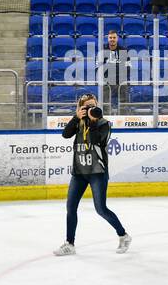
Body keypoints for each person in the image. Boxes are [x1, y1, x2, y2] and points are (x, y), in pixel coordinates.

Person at [54, 94, 130, 257]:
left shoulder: (104, 123)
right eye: (86, 107)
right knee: (71, 207)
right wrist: (76, 118)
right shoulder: (78, 123)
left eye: (93, 106)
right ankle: (70, 243)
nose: (90, 109)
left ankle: (123, 235)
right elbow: (65, 135)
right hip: (79, 172)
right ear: (80, 108)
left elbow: (98, 141)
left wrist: (93, 121)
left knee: (101, 209)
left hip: (97, 172)